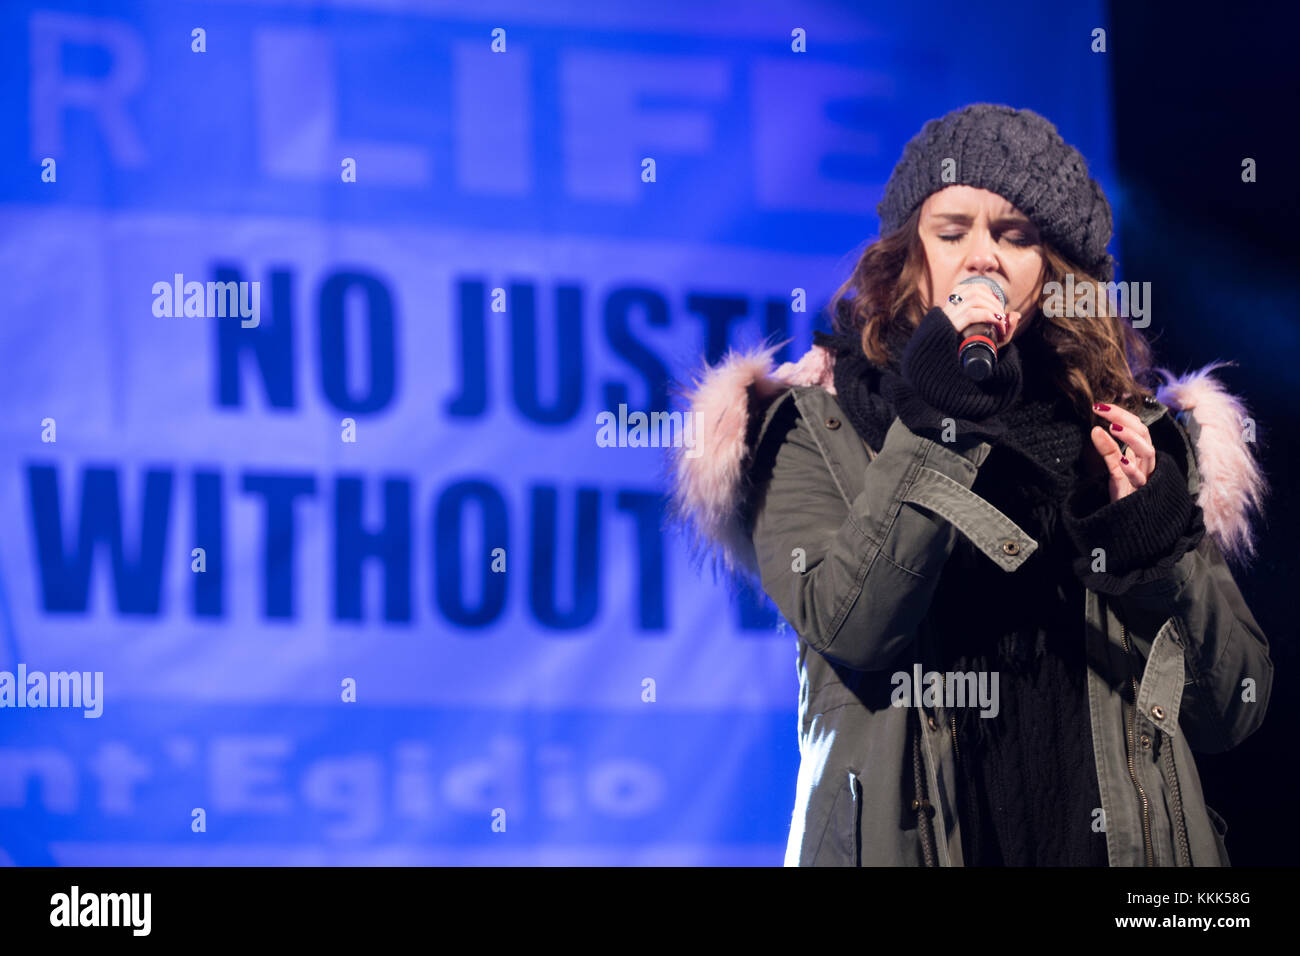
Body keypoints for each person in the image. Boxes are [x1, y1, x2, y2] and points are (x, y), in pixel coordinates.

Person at [667, 103, 1273, 866]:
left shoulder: (1135, 435)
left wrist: (1160, 545)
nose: (982, 257)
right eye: (952, 232)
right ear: (908, 257)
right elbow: (855, 626)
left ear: (1057, 268)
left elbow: (1232, 709)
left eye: (1014, 235)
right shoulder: (811, 424)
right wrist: (932, 420)